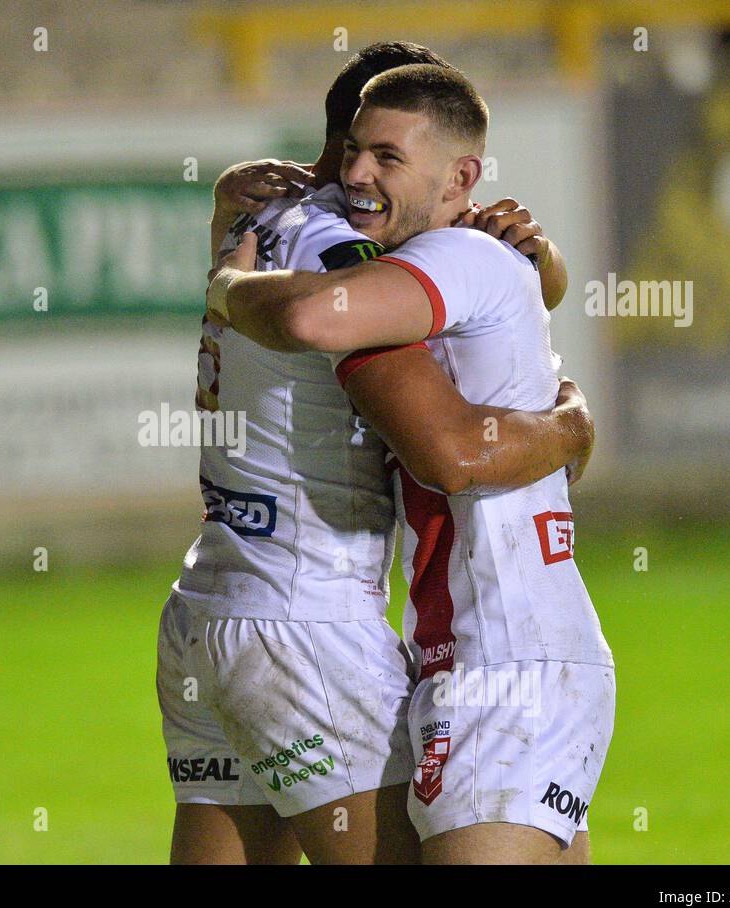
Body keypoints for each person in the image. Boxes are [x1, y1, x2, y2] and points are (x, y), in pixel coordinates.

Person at [205, 63, 615, 864]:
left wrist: (225, 284)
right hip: (490, 652)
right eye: (351, 152)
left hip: (502, 662)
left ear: (460, 176)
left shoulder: (449, 259)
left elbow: (324, 321)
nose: (357, 174)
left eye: (386, 158)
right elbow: (525, 286)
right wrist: (569, 424)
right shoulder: (450, 263)